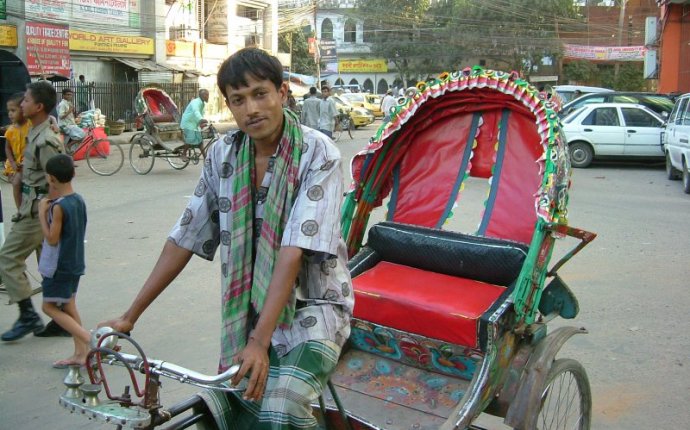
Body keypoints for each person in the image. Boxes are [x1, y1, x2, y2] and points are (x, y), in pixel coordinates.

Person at [101, 47, 353, 429]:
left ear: (282, 93)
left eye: (260, 94)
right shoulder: (223, 154)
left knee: (284, 406)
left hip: (315, 306)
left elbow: (293, 251)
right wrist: (129, 316)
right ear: (228, 106)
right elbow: (184, 237)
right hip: (249, 309)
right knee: (217, 403)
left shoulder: (319, 153)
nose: (251, 108)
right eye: (239, 100)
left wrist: (259, 342)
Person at [0, 81, 64, 342]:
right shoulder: (35, 132)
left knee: (7, 258)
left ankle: (28, 315)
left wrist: (51, 214)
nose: (21, 104)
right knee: (48, 266)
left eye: (25, 100)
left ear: (38, 107)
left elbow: (58, 179)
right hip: (36, 207)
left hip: (40, 209)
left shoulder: (45, 140)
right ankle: (60, 316)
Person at [37, 154, 89, 368]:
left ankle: (89, 340)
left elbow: (51, 238)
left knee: (48, 307)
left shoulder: (57, 207)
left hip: (59, 266)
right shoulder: (78, 200)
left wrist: (42, 212)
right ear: (74, 173)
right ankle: (81, 354)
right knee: (68, 305)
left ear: (51, 179)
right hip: (75, 262)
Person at [4, 93, 31, 222]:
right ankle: (20, 211)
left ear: (23, 109)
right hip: (18, 165)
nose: (10, 114)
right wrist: (13, 163)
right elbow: (7, 148)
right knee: (16, 183)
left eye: (13, 110)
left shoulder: (31, 125)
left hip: (31, 162)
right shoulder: (10, 130)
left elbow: (51, 118)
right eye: (9, 111)